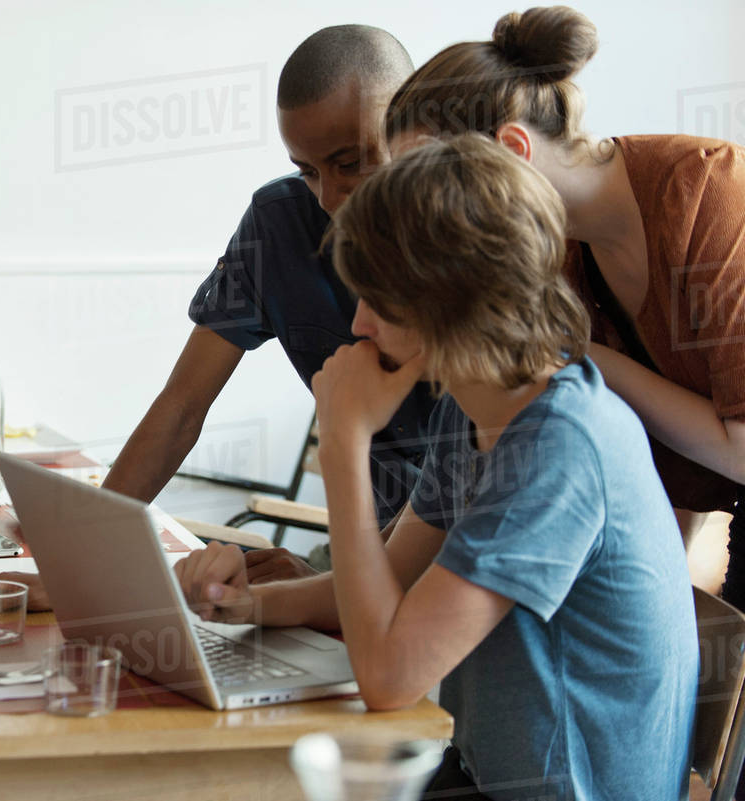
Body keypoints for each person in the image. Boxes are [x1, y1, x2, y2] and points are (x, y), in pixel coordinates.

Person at [174, 134, 699, 800]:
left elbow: (389, 677)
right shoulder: (477, 403)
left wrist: (343, 443)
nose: (359, 324)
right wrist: (253, 605)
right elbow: (387, 581)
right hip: (478, 774)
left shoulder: (561, 447)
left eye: (382, 302)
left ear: (457, 306)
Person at [0, 24, 439, 619]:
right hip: (363, 561)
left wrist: (321, 587)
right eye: (307, 171)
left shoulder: (471, 246)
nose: (327, 198)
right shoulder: (280, 226)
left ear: (415, 129)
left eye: (349, 164)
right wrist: (79, 572)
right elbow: (181, 407)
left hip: (438, 570)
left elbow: (455, 519)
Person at [382, 5, 745, 604]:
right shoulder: (552, 258)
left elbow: (738, 449)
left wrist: (581, 354)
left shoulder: (711, 195)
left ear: (514, 149)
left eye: (432, 184)